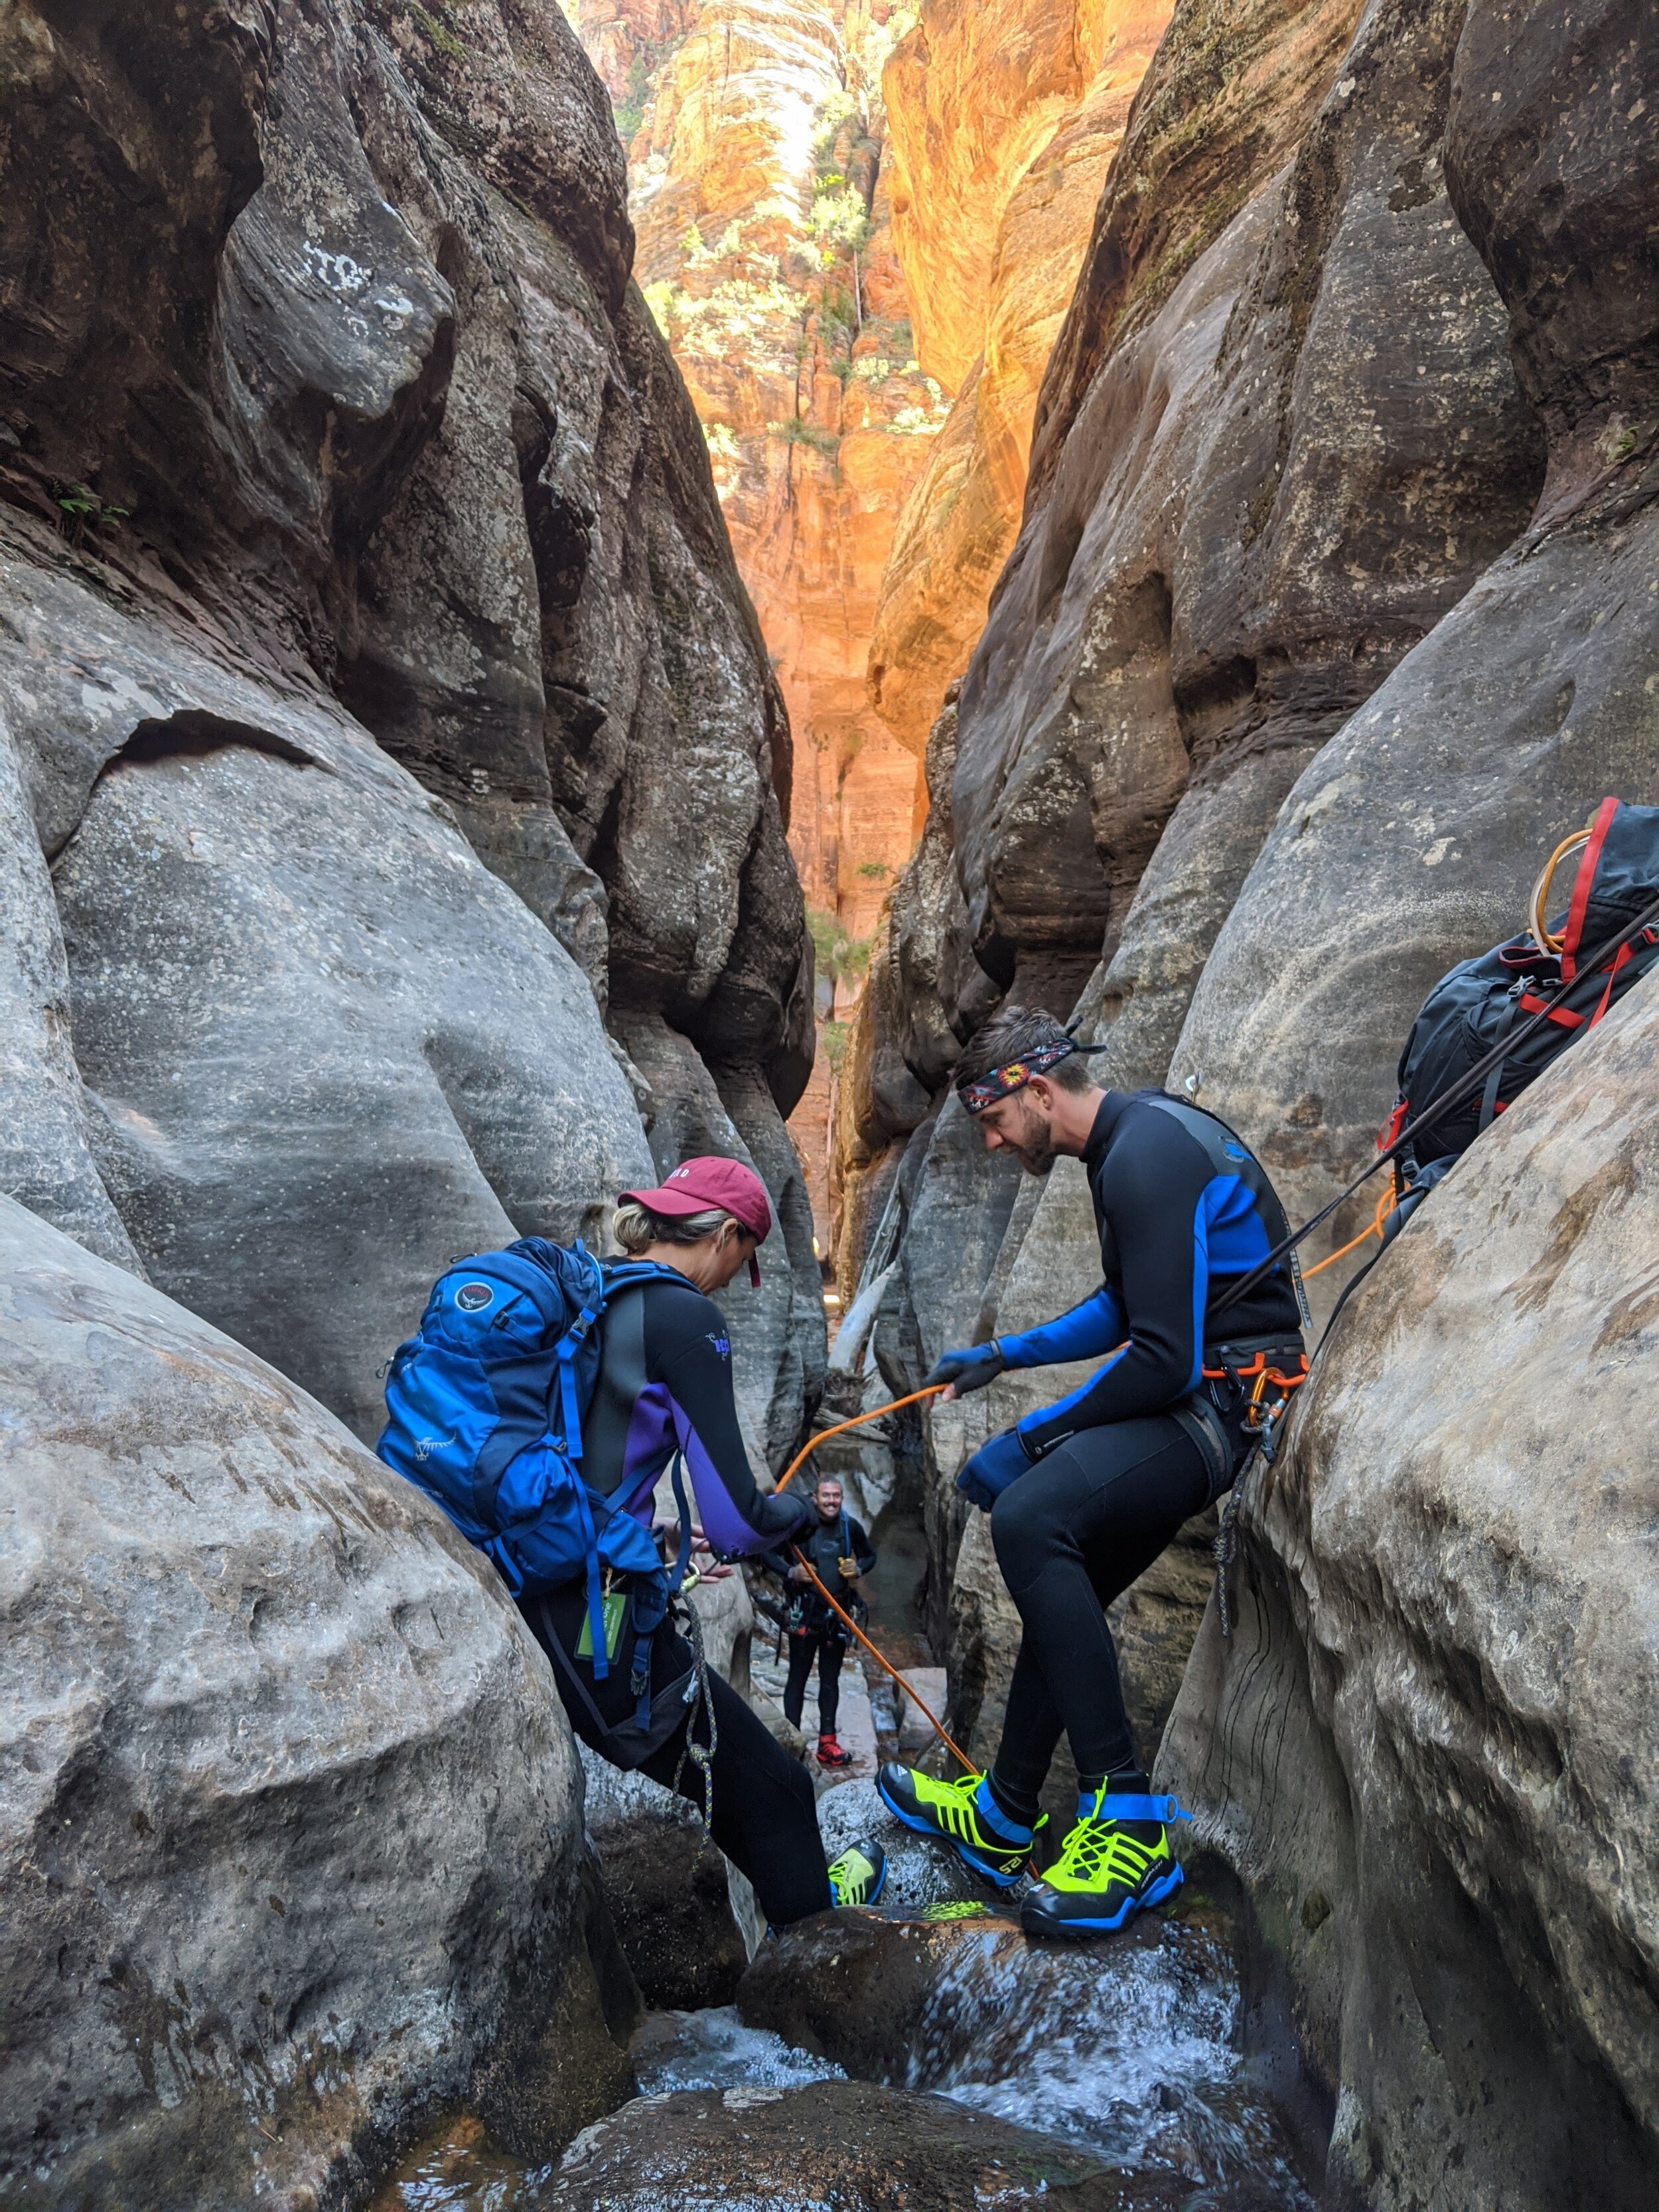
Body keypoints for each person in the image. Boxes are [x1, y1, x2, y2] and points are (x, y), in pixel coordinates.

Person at [877, 1008, 1307, 1939]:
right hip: (1203, 1396)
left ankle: (1127, 1822)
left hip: (1220, 1409)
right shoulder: (1130, 1143)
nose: (993, 1143)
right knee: (1058, 1575)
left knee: (1032, 1518)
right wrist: (1002, 1353)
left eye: (995, 1120)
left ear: (1038, 1089)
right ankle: (1003, 1817)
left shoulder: (1143, 1154)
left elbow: (1162, 1356)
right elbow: (1129, 1303)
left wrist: (1034, 1437)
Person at [515, 1155, 886, 1925]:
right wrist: (791, 1522)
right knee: (777, 1794)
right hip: (592, 1617)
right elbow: (737, 1520)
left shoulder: (595, 1290)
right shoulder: (684, 1317)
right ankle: (820, 1970)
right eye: (739, 1264)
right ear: (724, 1236)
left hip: (535, 1574)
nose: (727, 1283)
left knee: (738, 1788)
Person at [762, 1475, 877, 1767]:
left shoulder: (849, 1527)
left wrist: (858, 1568)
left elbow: (869, 1555)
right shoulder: (799, 1529)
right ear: (814, 1498)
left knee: (830, 1680)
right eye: (826, 1496)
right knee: (798, 1678)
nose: (831, 1501)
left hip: (835, 1615)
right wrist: (792, 1573)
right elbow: (765, 1552)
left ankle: (828, 1743)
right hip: (805, 1613)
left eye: (836, 1496)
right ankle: (793, 1742)